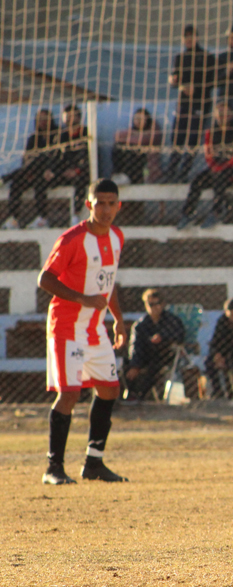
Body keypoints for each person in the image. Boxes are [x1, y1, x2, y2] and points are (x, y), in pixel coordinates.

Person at [37, 178, 128, 484]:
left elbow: (108, 281)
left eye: (111, 203)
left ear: (118, 206)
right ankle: (53, 468)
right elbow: (45, 279)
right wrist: (81, 298)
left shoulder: (117, 236)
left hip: (95, 328)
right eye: (99, 203)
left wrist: (118, 319)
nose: (105, 209)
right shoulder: (72, 239)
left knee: (110, 389)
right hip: (66, 326)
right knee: (70, 394)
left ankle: (94, 463)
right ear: (89, 204)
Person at [176, 101, 233, 230]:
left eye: (226, 113)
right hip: (217, 168)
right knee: (197, 181)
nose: (223, 116)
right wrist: (214, 167)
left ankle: (216, 212)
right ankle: (187, 214)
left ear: (231, 114)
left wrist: (222, 167)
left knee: (219, 177)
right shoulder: (211, 132)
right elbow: (209, 155)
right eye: (220, 113)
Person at [164, 24, 216, 183]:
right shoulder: (180, 58)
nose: (188, 40)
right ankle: (171, 172)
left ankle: (184, 173)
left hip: (200, 104)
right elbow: (175, 78)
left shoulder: (207, 57)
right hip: (184, 103)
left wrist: (196, 88)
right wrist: (175, 82)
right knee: (177, 138)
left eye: (191, 36)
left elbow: (213, 81)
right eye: (185, 37)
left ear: (197, 38)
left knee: (193, 139)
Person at [124, 288, 186, 403]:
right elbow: (135, 345)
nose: (154, 307)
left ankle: (141, 396)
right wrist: (135, 365)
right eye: (150, 304)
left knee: (153, 366)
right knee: (126, 363)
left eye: (157, 303)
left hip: (166, 354)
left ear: (163, 304)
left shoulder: (172, 320)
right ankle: (130, 394)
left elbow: (179, 335)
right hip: (145, 355)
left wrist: (163, 337)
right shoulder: (140, 325)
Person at [3, 108, 60, 230]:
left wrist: (49, 168)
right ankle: (14, 219)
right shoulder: (34, 138)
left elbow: (58, 158)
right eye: (40, 119)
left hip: (51, 174)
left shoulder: (58, 136)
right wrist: (29, 170)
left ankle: (43, 218)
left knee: (40, 160)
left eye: (45, 119)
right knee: (16, 183)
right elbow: (27, 159)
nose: (43, 122)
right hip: (33, 172)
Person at [54, 104, 91, 224]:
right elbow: (56, 158)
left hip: (81, 172)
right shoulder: (61, 136)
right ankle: (42, 217)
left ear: (79, 117)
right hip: (64, 172)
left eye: (73, 116)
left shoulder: (86, 133)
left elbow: (89, 157)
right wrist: (60, 171)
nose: (70, 119)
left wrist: (77, 170)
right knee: (42, 180)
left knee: (80, 182)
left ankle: (75, 215)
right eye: (67, 116)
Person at [112, 108, 164, 185]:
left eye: (141, 119)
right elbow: (117, 136)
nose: (138, 121)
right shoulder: (132, 130)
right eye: (136, 119)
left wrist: (130, 136)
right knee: (118, 147)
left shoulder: (153, 130)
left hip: (144, 160)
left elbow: (142, 140)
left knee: (133, 149)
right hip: (129, 160)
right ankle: (122, 175)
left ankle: (133, 178)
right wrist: (135, 134)